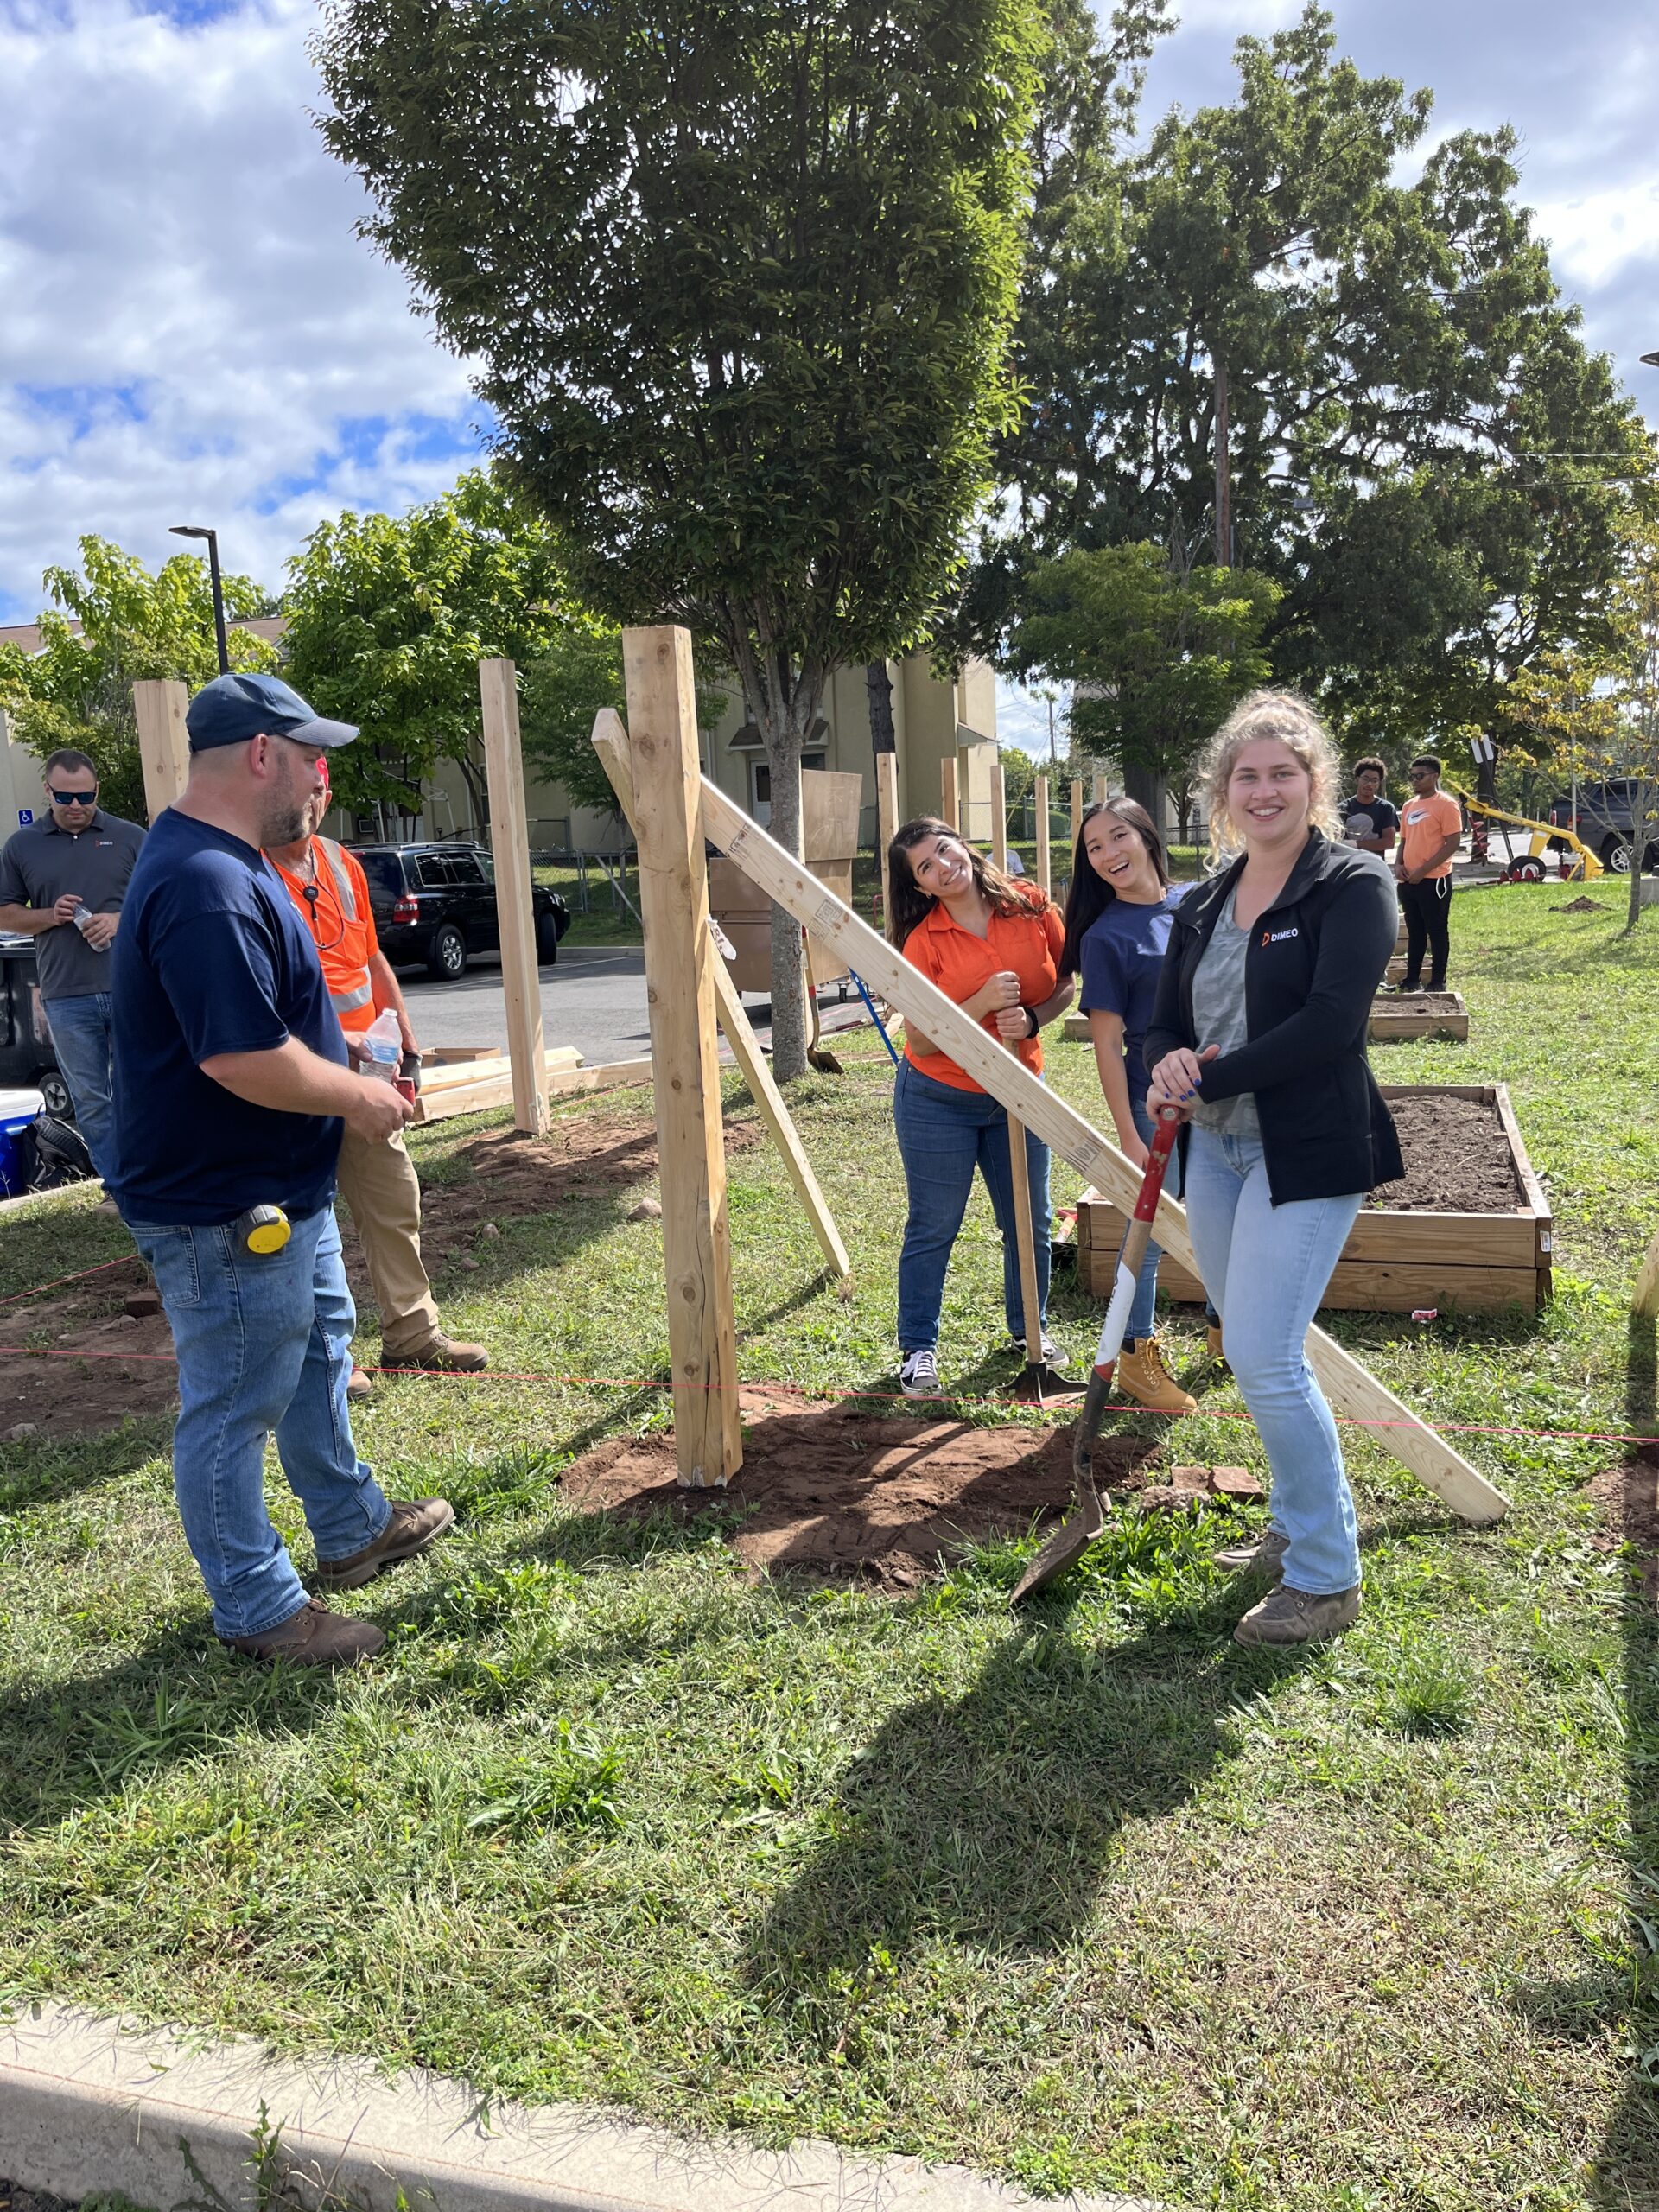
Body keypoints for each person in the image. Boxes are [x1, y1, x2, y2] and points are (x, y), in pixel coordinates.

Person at [107, 671, 454, 1668]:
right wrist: (362, 1096)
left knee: (313, 1355)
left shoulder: (231, 860)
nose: (321, 778)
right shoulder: (205, 883)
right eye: (310, 756)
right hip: (222, 1203)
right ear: (262, 753)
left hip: (272, 1188)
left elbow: (269, 1024)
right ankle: (259, 1609)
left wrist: (345, 1064)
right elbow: (242, 1057)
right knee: (235, 1404)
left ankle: (350, 1528)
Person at [1145, 690, 1401, 1648]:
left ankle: (1327, 1578)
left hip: (1309, 1146)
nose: (1264, 790)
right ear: (1223, 791)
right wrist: (1162, 1064)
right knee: (1252, 1345)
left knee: (1260, 1351)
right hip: (1214, 1147)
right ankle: (1296, 1529)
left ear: (1315, 784)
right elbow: (1165, 1019)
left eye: (1281, 773)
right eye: (1246, 775)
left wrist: (1205, 1070)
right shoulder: (1206, 897)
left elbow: (1330, 1027)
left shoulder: (1351, 885)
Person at [266, 760, 487, 1396]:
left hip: (365, 1075)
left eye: (313, 790)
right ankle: (328, 1359)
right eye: (290, 787)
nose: (303, 803)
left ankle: (413, 1335)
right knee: (305, 1222)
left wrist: (405, 1036)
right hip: (296, 1078)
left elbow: (370, 957)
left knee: (393, 1198)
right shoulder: (247, 870)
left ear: (326, 795)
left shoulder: (340, 864)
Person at [887, 817, 1074, 1397]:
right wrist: (982, 1001)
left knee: (1029, 1221)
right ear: (920, 887)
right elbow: (919, 1041)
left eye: (945, 850)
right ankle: (918, 1349)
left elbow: (1068, 981)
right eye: (926, 866)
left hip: (1019, 1093)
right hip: (940, 1098)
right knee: (935, 1223)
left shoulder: (1032, 907)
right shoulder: (924, 942)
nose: (944, 865)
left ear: (962, 845)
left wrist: (1038, 1017)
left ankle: (1030, 1333)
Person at [1058, 798, 1200, 1414]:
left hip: (1221, 1086)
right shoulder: (1104, 936)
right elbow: (1108, 1045)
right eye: (1095, 848)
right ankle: (1137, 1357)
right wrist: (1128, 1132)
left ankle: (1223, 1330)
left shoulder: (1197, 904)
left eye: (1118, 837)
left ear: (1146, 836)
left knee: (1221, 1212)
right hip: (1156, 1100)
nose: (1110, 854)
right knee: (1155, 1228)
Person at [0, 749, 145, 1199]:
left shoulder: (130, 837)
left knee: (142, 1089)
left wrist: (120, 921)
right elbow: (5, 915)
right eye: (64, 796)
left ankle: (153, 1177)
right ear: (47, 790)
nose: (76, 805)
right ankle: (117, 1188)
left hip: (132, 989)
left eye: (84, 795)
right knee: (91, 1099)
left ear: (96, 789)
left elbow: (162, 903)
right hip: (65, 994)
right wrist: (50, 914)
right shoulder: (23, 846)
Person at [1395, 754, 1462, 992]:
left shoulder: (1446, 804)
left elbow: (1453, 843)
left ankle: (1437, 981)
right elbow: (1404, 840)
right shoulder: (1408, 806)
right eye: (1412, 776)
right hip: (1408, 880)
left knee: (1436, 930)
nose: (1414, 780)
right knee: (1415, 931)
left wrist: (1424, 870)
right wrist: (1399, 864)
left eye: (1420, 776)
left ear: (1434, 776)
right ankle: (1411, 979)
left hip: (1434, 880)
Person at [1342, 758, 1398, 858]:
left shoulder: (1386, 808)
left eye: (1374, 780)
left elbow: (1389, 842)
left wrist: (1355, 844)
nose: (1369, 784)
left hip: (1375, 866)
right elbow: (1334, 841)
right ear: (1357, 779)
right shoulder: (1343, 808)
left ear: (1379, 783)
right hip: (1347, 866)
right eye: (1365, 779)